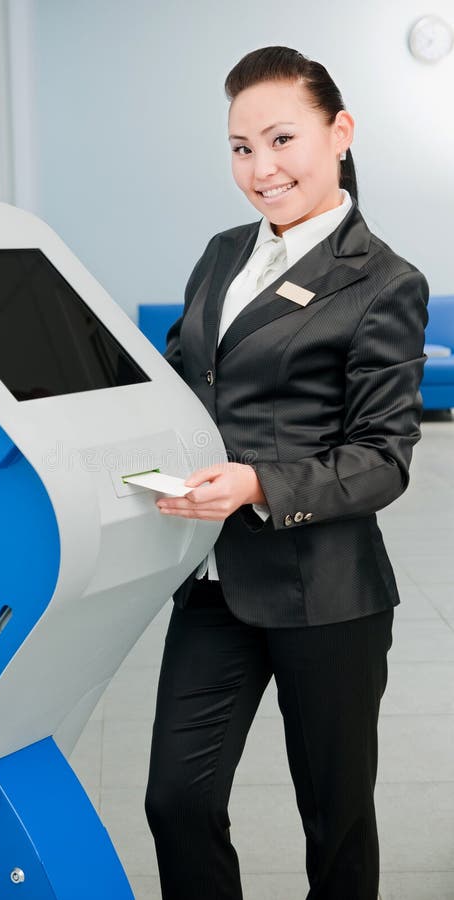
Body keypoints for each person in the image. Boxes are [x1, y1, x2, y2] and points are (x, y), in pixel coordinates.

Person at [144, 45, 429, 900]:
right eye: (240, 147)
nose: (260, 169)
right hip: (214, 584)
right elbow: (180, 374)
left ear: (339, 132)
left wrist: (259, 483)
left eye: (281, 139)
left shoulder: (384, 282)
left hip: (327, 594)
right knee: (177, 801)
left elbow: (382, 458)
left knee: (334, 822)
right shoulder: (223, 252)